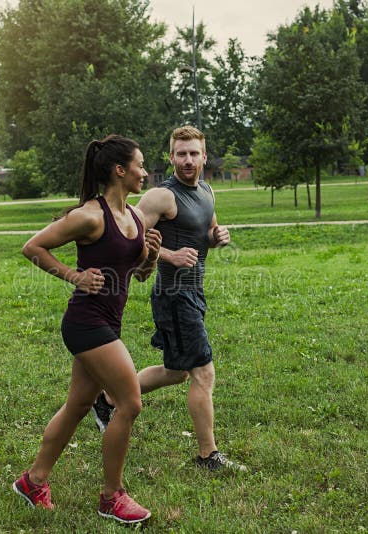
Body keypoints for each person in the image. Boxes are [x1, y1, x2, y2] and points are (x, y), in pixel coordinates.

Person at [12, 135, 161, 524]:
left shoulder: (136, 217)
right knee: (129, 402)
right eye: (140, 165)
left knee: (78, 406)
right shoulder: (90, 216)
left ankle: (33, 480)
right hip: (86, 323)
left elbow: (140, 274)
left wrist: (153, 255)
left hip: (108, 322)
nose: (145, 172)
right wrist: (74, 276)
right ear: (119, 170)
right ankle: (112, 496)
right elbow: (33, 247)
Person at [92, 125, 247, 472]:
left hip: (194, 292)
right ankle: (208, 457)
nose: (188, 160)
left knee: (177, 372)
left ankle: (107, 399)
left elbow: (205, 231)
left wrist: (217, 235)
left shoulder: (207, 191)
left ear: (205, 157)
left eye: (194, 154)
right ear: (171, 156)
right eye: (181, 153)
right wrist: (171, 255)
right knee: (203, 373)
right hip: (173, 295)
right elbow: (129, 237)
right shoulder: (162, 196)